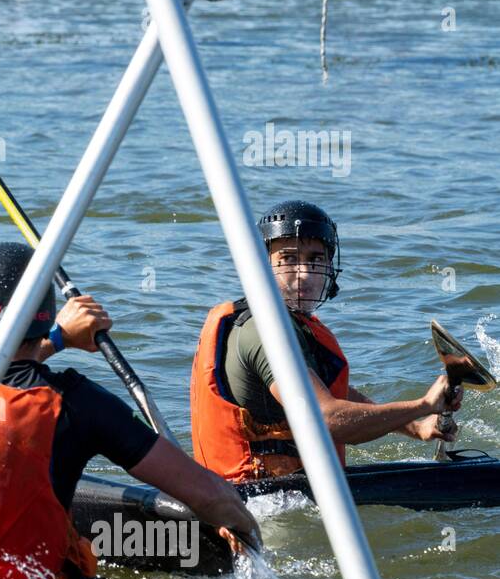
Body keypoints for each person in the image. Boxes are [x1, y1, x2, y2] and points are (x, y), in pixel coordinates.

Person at [0, 242, 259, 579]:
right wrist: (246, 533)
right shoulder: (82, 404)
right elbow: (210, 496)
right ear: (46, 314)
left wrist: (58, 339)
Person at [190, 200, 462, 482]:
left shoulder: (286, 321)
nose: (305, 274)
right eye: (288, 259)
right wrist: (424, 404)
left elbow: (328, 391)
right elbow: (326, 419)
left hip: (278, 492)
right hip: (260, 505)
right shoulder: (264, 332)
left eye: (316, 259)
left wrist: (414, 427)